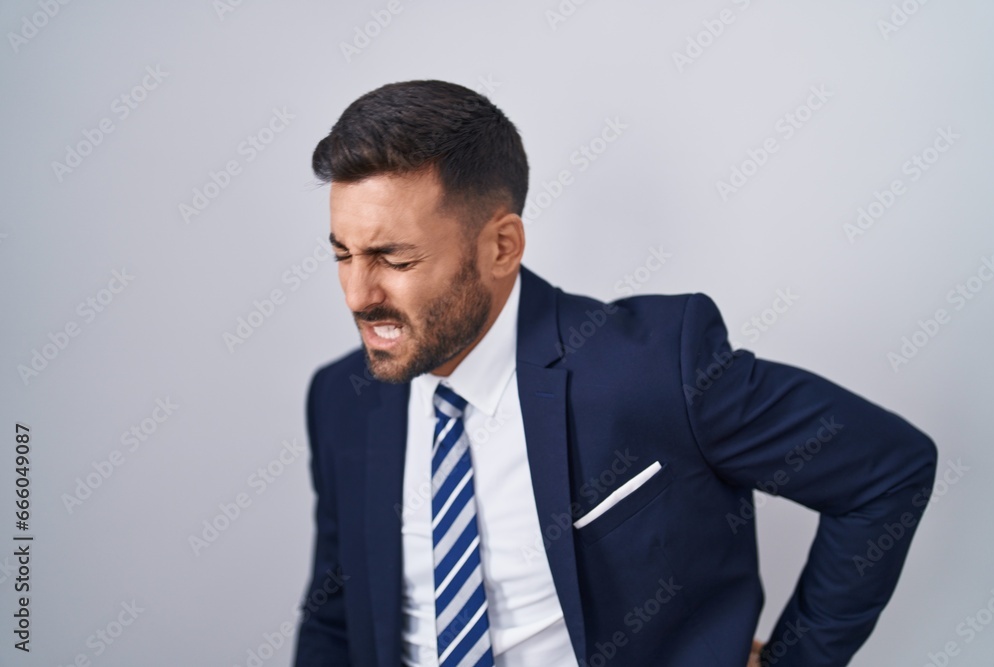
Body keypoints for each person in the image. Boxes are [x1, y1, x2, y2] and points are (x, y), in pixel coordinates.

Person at [292, 79, 937, 667]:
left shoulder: (655, 366)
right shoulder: (341, 401)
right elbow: (336, 616)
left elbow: (885, 470)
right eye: (342, 255)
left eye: (392, 259)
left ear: (501, 246)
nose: (356, 294)